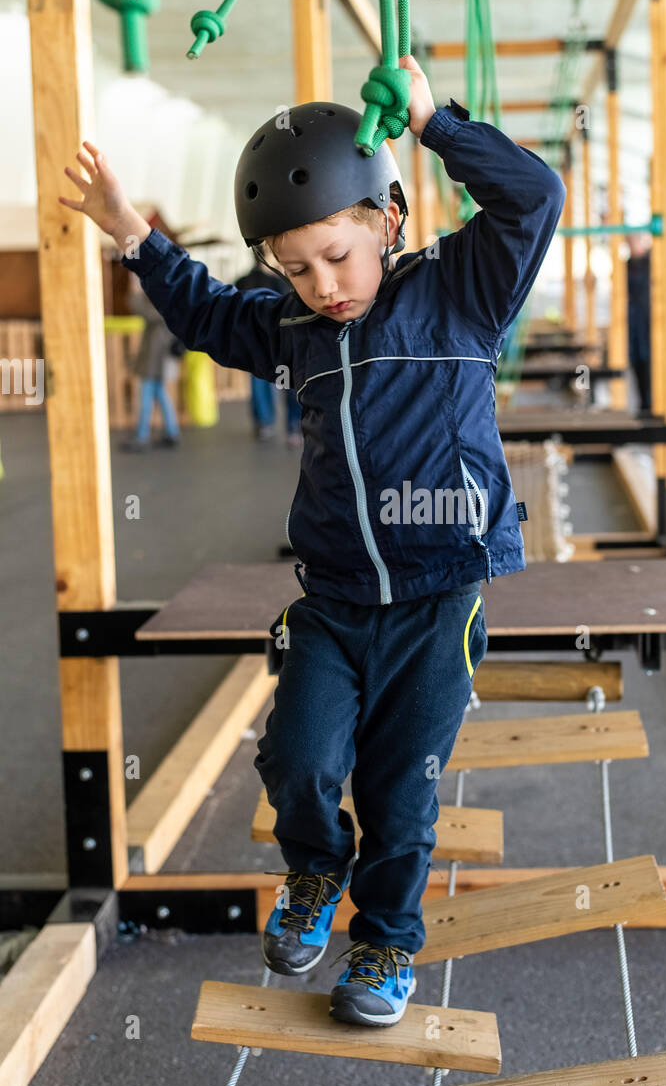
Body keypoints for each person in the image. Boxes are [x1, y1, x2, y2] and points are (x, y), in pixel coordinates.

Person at [58, 53, 566, 1026]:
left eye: (337, 255)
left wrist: (435, 123)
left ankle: (384, 943)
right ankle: (313, 870)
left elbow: (533, 195)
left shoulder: (463, 292)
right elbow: (209, 312)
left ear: (387, 220)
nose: (322, 284)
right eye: (294, 268)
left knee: (401, 792)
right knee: (295, 758)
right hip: (332, 602)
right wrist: (133, 235)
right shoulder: (295, 326)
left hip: (437, 599)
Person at [234, 252, 303, 446]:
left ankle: (265, 423)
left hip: (254, 344)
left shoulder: (241, 281)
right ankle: (293, 429)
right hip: (281, 345)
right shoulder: (278, 282)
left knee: (259, 384)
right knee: (288, 386)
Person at [121, 272, 184, 452]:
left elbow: (141, 309)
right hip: (160, 359)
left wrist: (134, 288)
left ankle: (142, 436)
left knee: (147, 395)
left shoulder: (164, 304)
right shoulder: (174, 299)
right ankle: (171, 432)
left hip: (156, 358)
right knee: (160, 394)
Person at [626, 231, 652, 414]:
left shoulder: (654, 263)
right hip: (635, 323)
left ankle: (652, 405)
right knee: (637, 363)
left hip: (651, 323)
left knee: (651, 364)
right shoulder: (626, 265)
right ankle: (644, 405)